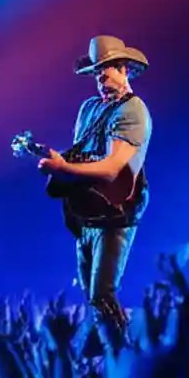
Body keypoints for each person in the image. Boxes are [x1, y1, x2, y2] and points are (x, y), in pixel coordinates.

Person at [36, 34, 152, 328]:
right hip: (85, 213)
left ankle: (123, 355)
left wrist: (63, 167)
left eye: (107, 69)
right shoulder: (89, 108)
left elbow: (113, 169)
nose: (100, 77)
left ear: (125, 68)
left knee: (103, 295)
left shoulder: (133, 110)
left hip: (115, 212)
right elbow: (80, 156)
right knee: (91, 297)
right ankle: (100, 360)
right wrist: (54, 159)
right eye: (96, 72)